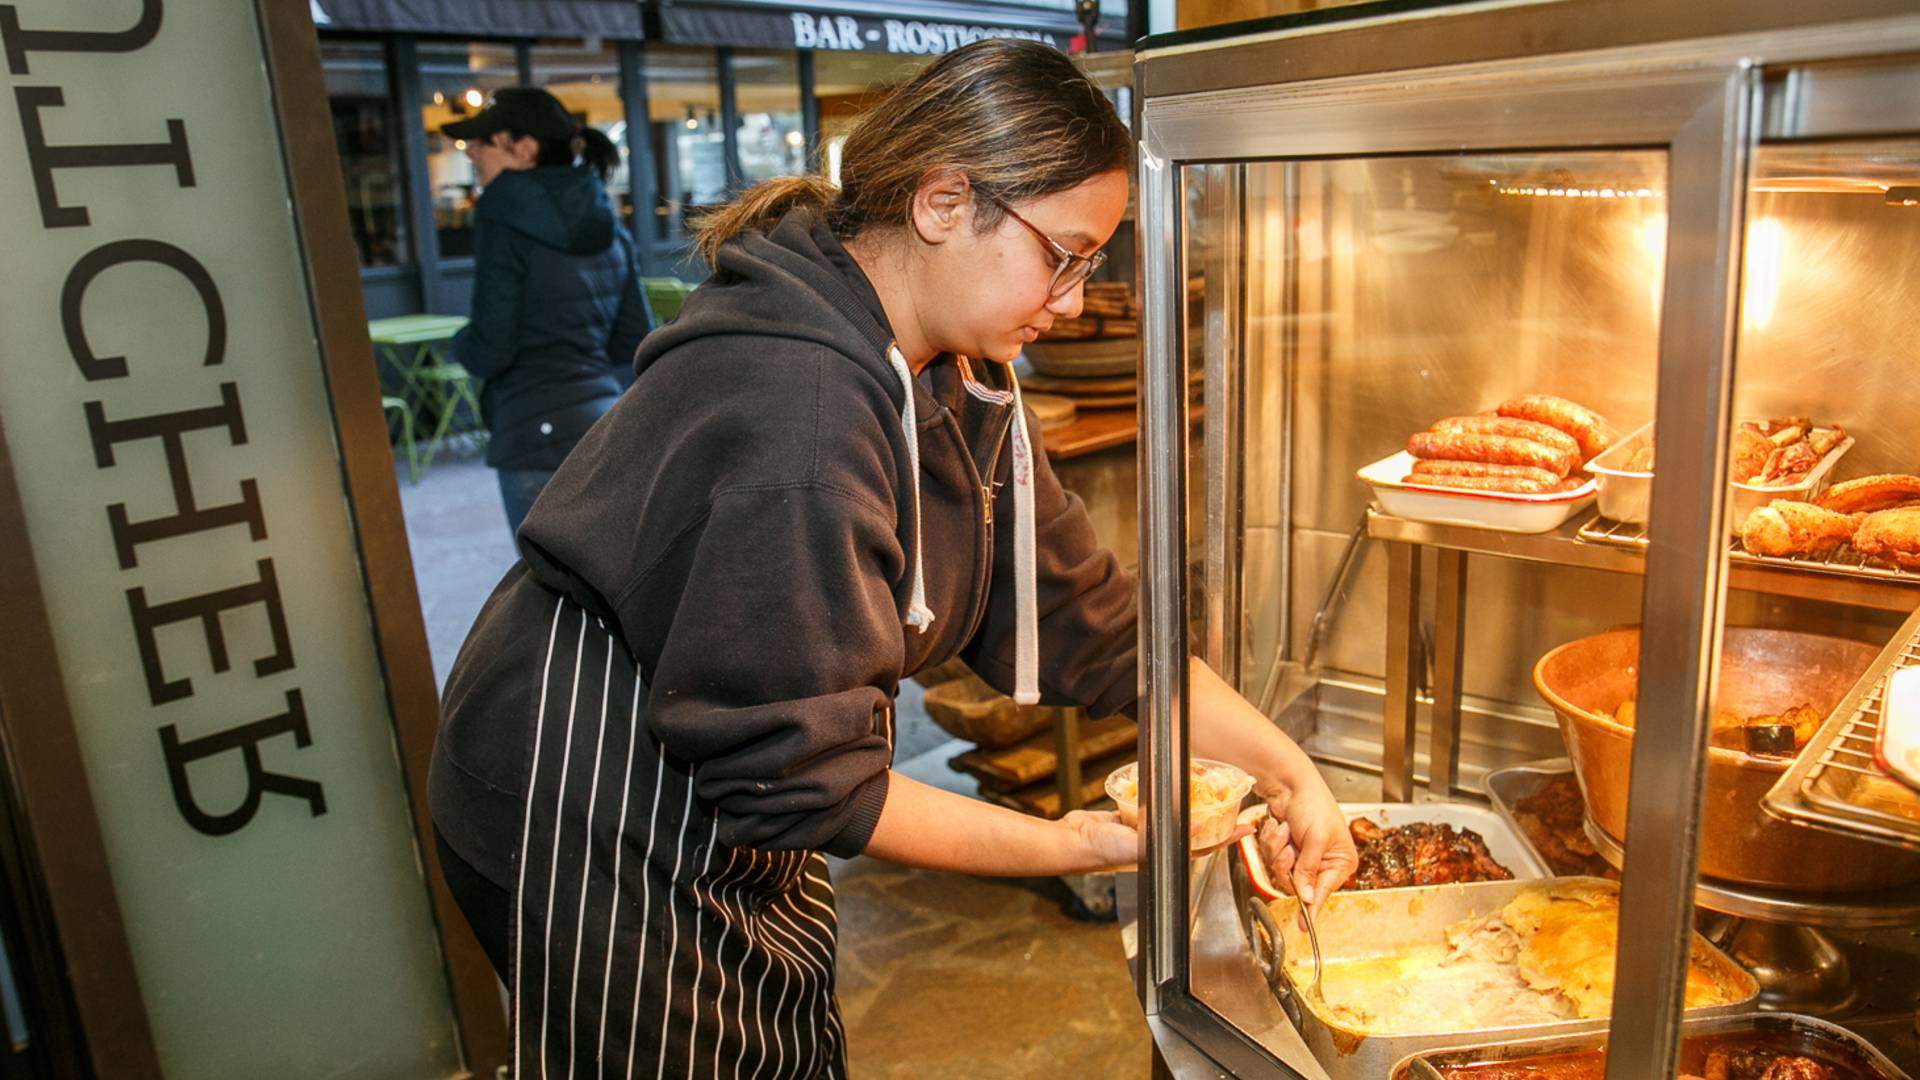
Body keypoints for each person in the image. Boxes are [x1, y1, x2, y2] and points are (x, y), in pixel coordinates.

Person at [426, 40, 1356, 1078]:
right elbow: (805, 782)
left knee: (780, 1034)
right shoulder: (804, 408)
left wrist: (1288, 774)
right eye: (1064, 254)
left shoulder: (960, 372)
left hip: (732, 768)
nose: (1079, 300)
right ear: (944, 202)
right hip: (588, 784)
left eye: (1095, 263)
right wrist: (1072, 843)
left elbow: (1098, 627)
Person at [439, 87, 653, 534]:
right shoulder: (608, 223)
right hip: (603, 428)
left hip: (530, 430)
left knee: (545, 597)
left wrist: (461, 345)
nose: (472, 152)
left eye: (484, 141)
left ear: (525, 149)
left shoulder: (501, 213)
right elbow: (634, 343)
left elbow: (493, 346)